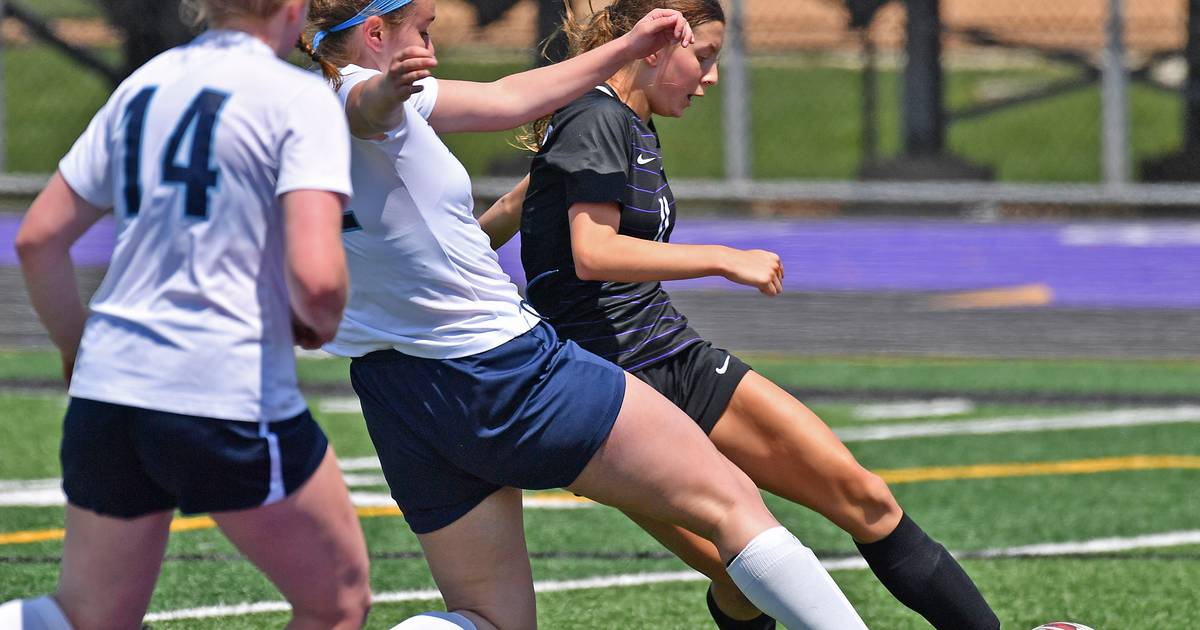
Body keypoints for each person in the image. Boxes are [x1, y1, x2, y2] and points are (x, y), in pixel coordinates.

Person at [303, 1, 868, 628]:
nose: (432, 48)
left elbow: (510, 95)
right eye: (424, 33)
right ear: (377, 35)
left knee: (489, 618)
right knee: (734, 503)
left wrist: (623, 50)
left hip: (398, 392)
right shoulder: (365, 96)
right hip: (500, 368)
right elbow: (370, 106)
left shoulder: (291, 110)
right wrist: (389, 84)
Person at [515, 1, 1002, 629]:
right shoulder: (595, 117)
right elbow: (593, 252)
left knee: (865, 499)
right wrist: (724, 258)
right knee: (743, 570)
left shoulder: (621, 120)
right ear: (657, 46)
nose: (711, 78)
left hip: (669, 356)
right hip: (606, 388)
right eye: (705, 57)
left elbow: (522, 197)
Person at [1, 1, 371, 628]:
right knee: (336, 604)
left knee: (88, 617)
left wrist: (78, 348)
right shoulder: (297, 96)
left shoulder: (145, 83)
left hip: (110, 388)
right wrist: (321, 317)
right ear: (292, 8)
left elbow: (39, 239)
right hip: (221, 391)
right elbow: (316, 280)